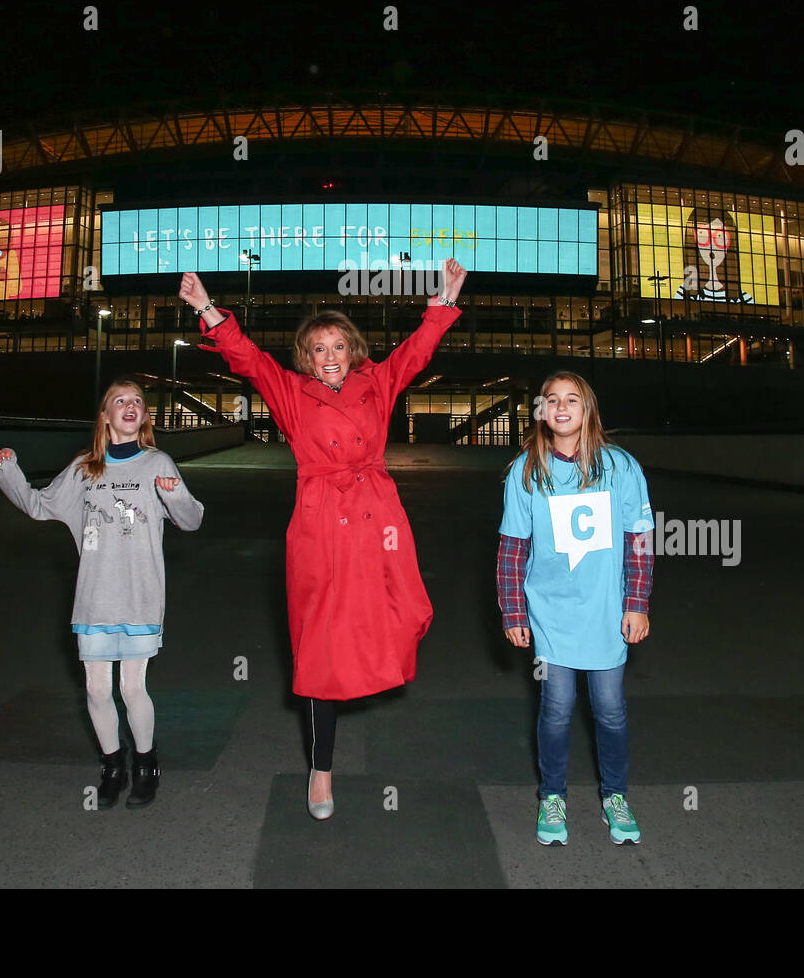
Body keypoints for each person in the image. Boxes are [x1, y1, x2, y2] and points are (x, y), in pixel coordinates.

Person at [178, 258, 467, 819]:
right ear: (306, 356)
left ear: (352, 349)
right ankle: (321, 768)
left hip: (376, 516)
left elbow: (416, 352)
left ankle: (377, 665)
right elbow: (247, 358)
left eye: (338, 346)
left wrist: (444, 301)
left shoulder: (376, 382)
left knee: (402, 609)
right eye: (318, 348)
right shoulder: (291, 392)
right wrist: (206, 307)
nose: (329, 355)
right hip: (320, 525)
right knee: (318, 645)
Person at [0, 378, 204, 809]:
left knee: (132, 688)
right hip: (95, 598)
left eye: (137, 401)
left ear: (144, 416)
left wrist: (176, 494)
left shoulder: (158, 462)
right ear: (105, 416)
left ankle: (146, 765)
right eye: (119, 401)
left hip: (141, 595)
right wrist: (7, 471)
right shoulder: (84, 469)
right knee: (96, 690)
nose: (130, 406)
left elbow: (191, 520)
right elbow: (38, 505)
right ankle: (112, 766)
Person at [496, 370, 655, 846]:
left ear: (588, 409)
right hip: (551, 613)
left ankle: (615, 795)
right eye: (552, 399)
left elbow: (640, 540)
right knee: (557, 707)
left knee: (610, 710)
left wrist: (637, 603)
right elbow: (511, 548)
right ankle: (552, 795)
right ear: (541, 410)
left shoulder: (621, 466)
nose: (561, 407)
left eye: (572, 399)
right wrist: (513, 611)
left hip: (606, 611)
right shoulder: (526, 470)